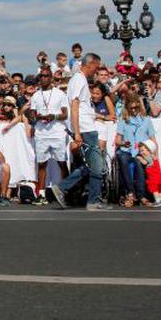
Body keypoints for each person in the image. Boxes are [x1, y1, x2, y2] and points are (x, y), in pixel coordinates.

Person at [50, 53, 112, 211]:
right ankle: (93, 201)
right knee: (98, 165)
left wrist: (100, 116)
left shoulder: (80, 80)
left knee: (92, 165)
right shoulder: (79, 79)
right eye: (96, 68)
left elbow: (84, 108)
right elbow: (75, 106)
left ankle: (63, 187)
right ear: (89, 64)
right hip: (85, 129)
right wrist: (77, 132)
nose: (96, 72)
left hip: (86, 125)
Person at [28, 67, 68, 204]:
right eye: (42, 76)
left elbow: (65, 114)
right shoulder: (35, 96)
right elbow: (31, 115)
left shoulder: (60, 94)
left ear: (51, 78)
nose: (44, 78)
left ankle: (65, 191)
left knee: (62, 162)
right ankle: (41, 194)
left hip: (57, 132)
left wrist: (53, 116)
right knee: (42, 163)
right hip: (41, 132)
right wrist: (37, 117)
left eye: (46, 76)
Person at [114, 93, 156, 208]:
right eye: (131, 108)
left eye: (135, 108)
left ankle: (141, 195)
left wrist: (155, 155)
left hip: (140, 151)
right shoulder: (123, 120)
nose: (133, 110)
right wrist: (124, 143)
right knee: (123, 158)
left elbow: (153, 140)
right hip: (127, 149)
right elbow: (117, 140)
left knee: (138, 161)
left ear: (139, 106)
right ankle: (130, 193)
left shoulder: (146, 120)